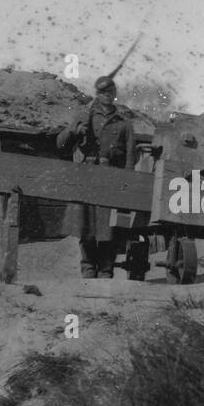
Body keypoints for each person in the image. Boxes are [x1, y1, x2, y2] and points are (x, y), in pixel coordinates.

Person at [56, 75, 131, 278]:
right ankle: (88, 268)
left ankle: (106, 269)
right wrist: (75, 130)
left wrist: (127, 183)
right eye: (102, 93)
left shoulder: (124, 124)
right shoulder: (84, 115)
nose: (106, 96)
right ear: (96, 94)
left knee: (108, 228)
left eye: (110, 93)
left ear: (114, 95)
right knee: (85, 225)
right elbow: (60, 144)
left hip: (110, 179)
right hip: (86, 177)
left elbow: (129, 158)